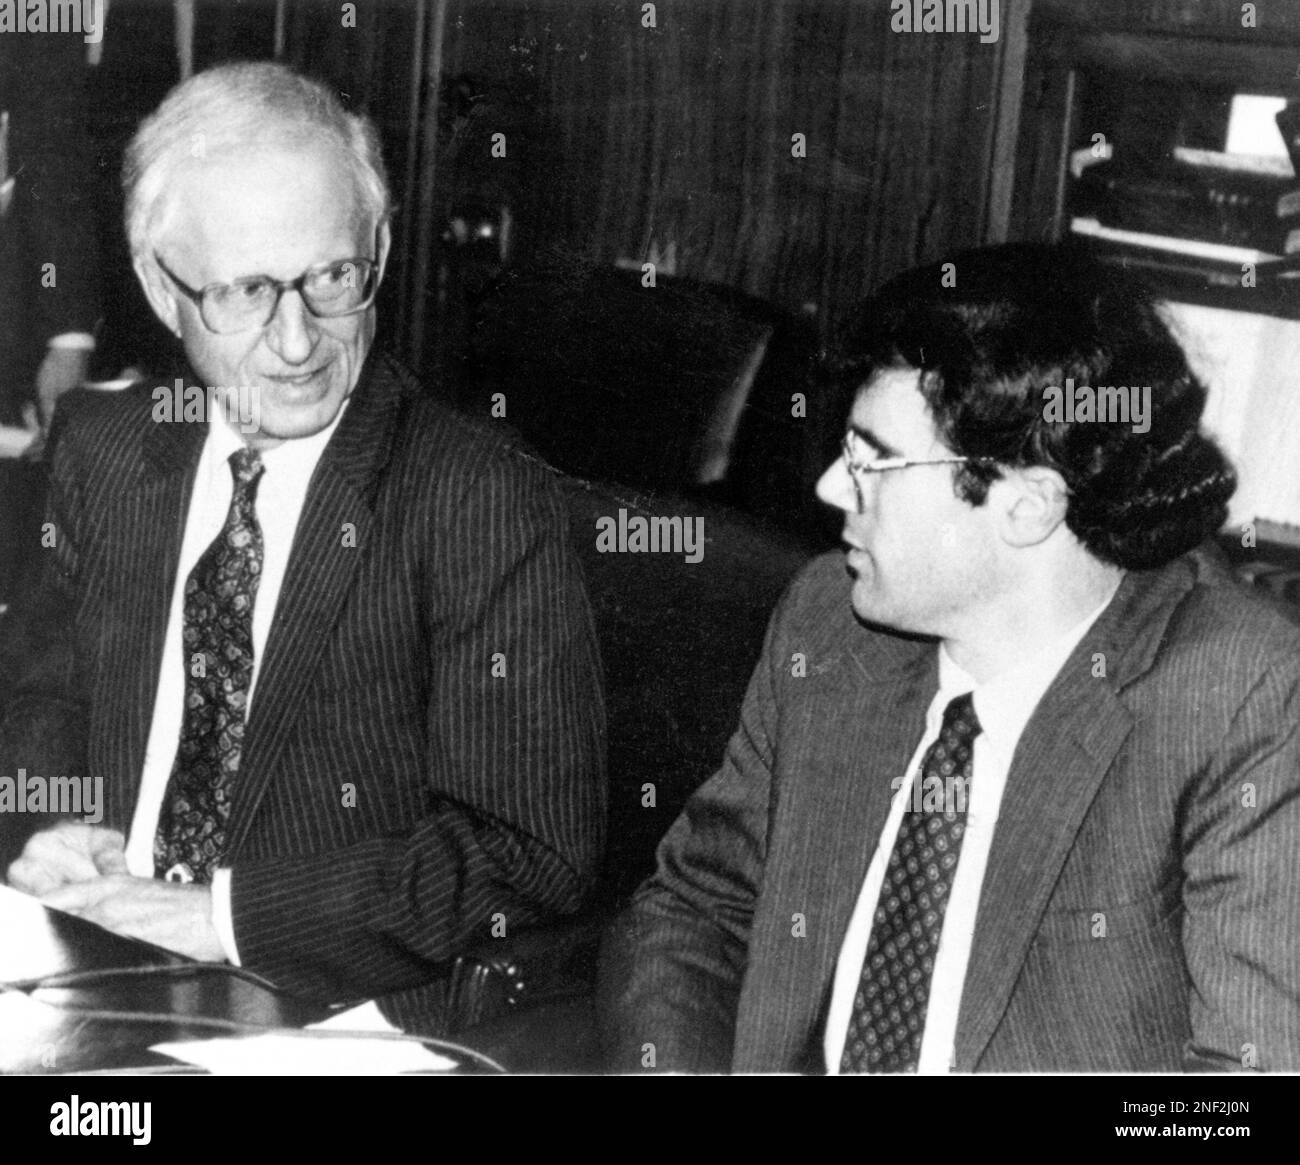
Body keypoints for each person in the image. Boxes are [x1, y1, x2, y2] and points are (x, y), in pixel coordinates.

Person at [0, 61, 605, 1031]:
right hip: (87, 960)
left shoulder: (478, 499)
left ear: (379, 246)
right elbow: (38, 695)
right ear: (163, 290)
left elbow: (528, 850)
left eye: (331, 277)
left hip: (325, 1010)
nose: (297, 341)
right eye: (245, 291)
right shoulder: (100, 447)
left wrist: (225, 917)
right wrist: (46, 828)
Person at [597, 242, 1300, 1073]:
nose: (830, 487)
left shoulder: (1236, 692)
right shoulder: (828, 626)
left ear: (1026, 504)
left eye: (873, 459)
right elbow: (695, 911)